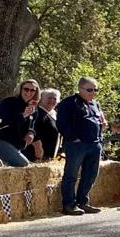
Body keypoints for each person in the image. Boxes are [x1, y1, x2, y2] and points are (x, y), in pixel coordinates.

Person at [56, 76, 106, 214]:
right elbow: (61, 123)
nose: (93, 93)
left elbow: (99, 120)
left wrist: (100, 135)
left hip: (94, 143)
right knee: (71, 175)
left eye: (96, 90)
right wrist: (73, 138)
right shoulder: (68, 103)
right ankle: (69, 204)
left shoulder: (95, 104)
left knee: (90, 174)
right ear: (80, 88)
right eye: (90, 89)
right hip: (77, 144)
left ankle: (83, 202)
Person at [0, 79, 40, 167]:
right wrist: (23, 115)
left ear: (36, 92)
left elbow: (32, 125)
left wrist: (31, 133)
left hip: (17, 145)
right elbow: (1, 122)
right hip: (1, 140)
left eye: (32, 90)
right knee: (23, 164)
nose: (29, 92)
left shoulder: (34, 108)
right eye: (26, 89)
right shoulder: (9, 102)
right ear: (20, 89)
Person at [29, 89, 61, 161]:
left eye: (55, 99)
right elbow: (31, 129)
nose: (52, 100)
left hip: (50, 157)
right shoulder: (36, 113)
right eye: (49, 98)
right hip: (36, 155)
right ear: (41, 99)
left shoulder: (56, 114)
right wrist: (38, 148)